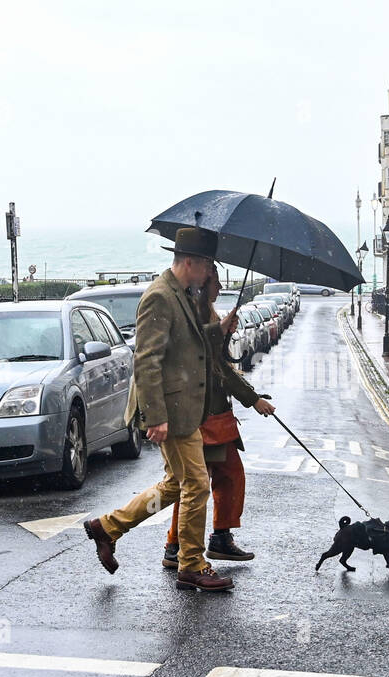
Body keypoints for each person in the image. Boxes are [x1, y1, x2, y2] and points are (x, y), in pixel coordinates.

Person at [84, 228, 241, 592]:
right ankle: (191, 563)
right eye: (207, 265)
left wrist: (219, 329)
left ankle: (107, 527)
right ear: (191, 262)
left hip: (184, 409)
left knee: (175, 484)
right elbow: (147, 360)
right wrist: (155, 417)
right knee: (197, 484)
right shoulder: (159, 297)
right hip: (171, 411)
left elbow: (190, 343)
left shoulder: (181, 293)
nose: (209, 272)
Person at [163, 266, 275, 568]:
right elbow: (208, 363)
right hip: (202, 416)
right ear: (203, 283)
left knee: (225, 476)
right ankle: (176, 545)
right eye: (216, 280)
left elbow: (220, 364)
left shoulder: (208, 313)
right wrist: (253, 400)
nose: (221, 285)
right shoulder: (195, 315)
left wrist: (224, 333)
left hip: (216, 415)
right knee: (191, 484)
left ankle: (215, 539)